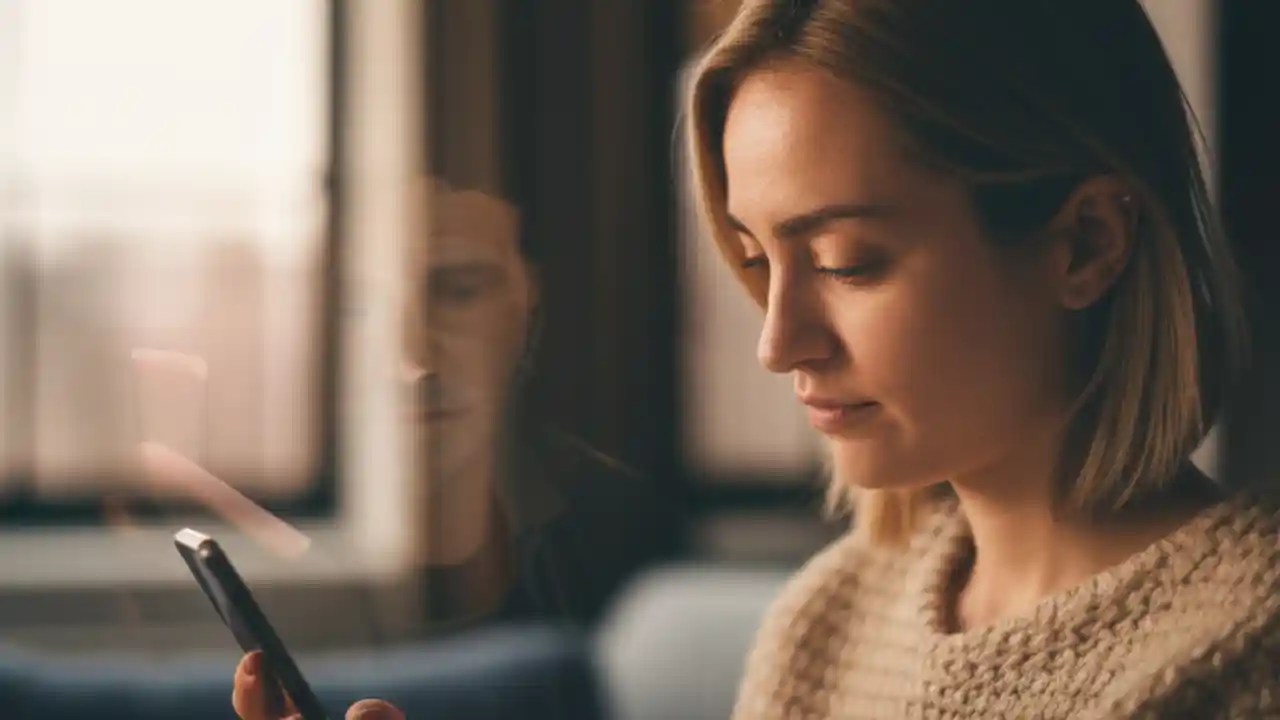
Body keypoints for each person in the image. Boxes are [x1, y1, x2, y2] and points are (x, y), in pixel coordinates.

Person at [683, 0, 1276, 717]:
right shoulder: (821, 629)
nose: (777, 345)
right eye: (755, 259)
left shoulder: (1242, 651)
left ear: (1088, 243)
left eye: (847, 264)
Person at [229, 182, 673, 719]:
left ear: (529, 305)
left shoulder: (622, 535)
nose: (412, 356)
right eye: (362, 306)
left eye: (459, 291)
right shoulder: (293, 544)